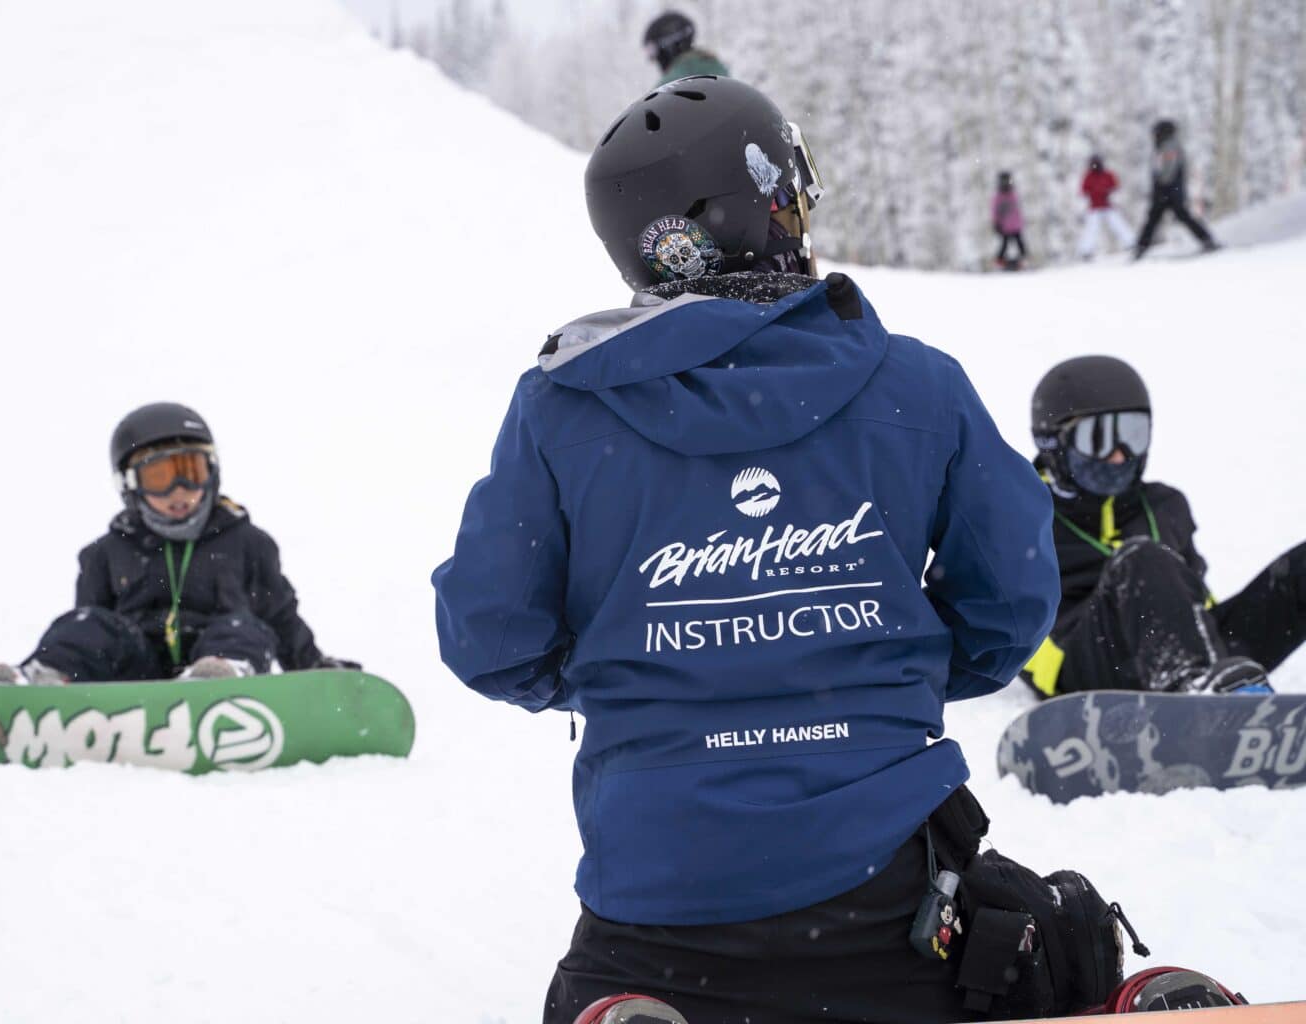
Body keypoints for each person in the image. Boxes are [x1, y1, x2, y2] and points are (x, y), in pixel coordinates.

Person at [432, 77, 1061, 1024]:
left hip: (654, 905)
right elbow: (1009, 601)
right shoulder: (915, 388)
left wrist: (636, 676)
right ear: (772, 205)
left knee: (613, 990)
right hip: (885, 899)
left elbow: (490, 634)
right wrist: (882, 668)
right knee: (1045, 943)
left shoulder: (563, 407)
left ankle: (632, 1003)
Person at [0, 402, 355, 685]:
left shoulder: (249, 544)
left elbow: (281, 617)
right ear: (130, 485)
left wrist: (314, 669)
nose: (180, 490)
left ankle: (217, 682)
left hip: (216, 657)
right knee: (90, 624)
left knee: (245, 626)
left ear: (213, 473)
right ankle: (40, 685)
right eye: (160, 477)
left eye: (191, 472)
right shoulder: (105, 554)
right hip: (134, 679)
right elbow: (91, 632)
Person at [1022, 356, 1301, 697]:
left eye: (1132, 435)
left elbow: (1195, 600)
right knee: (1140, 557)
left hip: (1185, 655)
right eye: (1099, 438)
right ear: (1053, 442)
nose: (1119, 455)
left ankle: (1208, 689)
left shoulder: (1163, 506)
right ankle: (1198, 698)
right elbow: (1006, 619)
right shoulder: (1024, 514)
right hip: (1086, 665)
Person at [1133, 119, 1220, 259]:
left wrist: (1160, 185)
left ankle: (1141, 248)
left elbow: (1168, 170)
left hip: (1169, 192)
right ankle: (1206, 240)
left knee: (1160, 219)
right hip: (1169, 191)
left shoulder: (1169, 146)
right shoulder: (1165, 146)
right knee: (1163, 218)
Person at [642, 11, 728, 85]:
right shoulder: (717, 67)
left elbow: (655, 101)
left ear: (668, 47)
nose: (656, 60)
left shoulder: (673, 82)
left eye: (654, 52)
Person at [1076, 154, 1136, 258]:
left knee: (1119, 224)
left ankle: (1131, 243)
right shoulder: (1088, 176)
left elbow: (1116, 188)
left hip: (1108, 206)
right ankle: (1086, 251)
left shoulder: (1107, 174)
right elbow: (1083, 191)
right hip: (1094, 207)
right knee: (1091, 229)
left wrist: (1110, 194)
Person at [992, 170, 1027, 268]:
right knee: (1004, 244)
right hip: (1004, 226)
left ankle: (1023, 260)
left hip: (1015, 225)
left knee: (1019, 242)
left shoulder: (1013, 194)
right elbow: (994, 211)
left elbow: (1018, 210)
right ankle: (1000, 261)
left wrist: (1021, 222)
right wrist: (996, 223)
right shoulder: (998, 197)